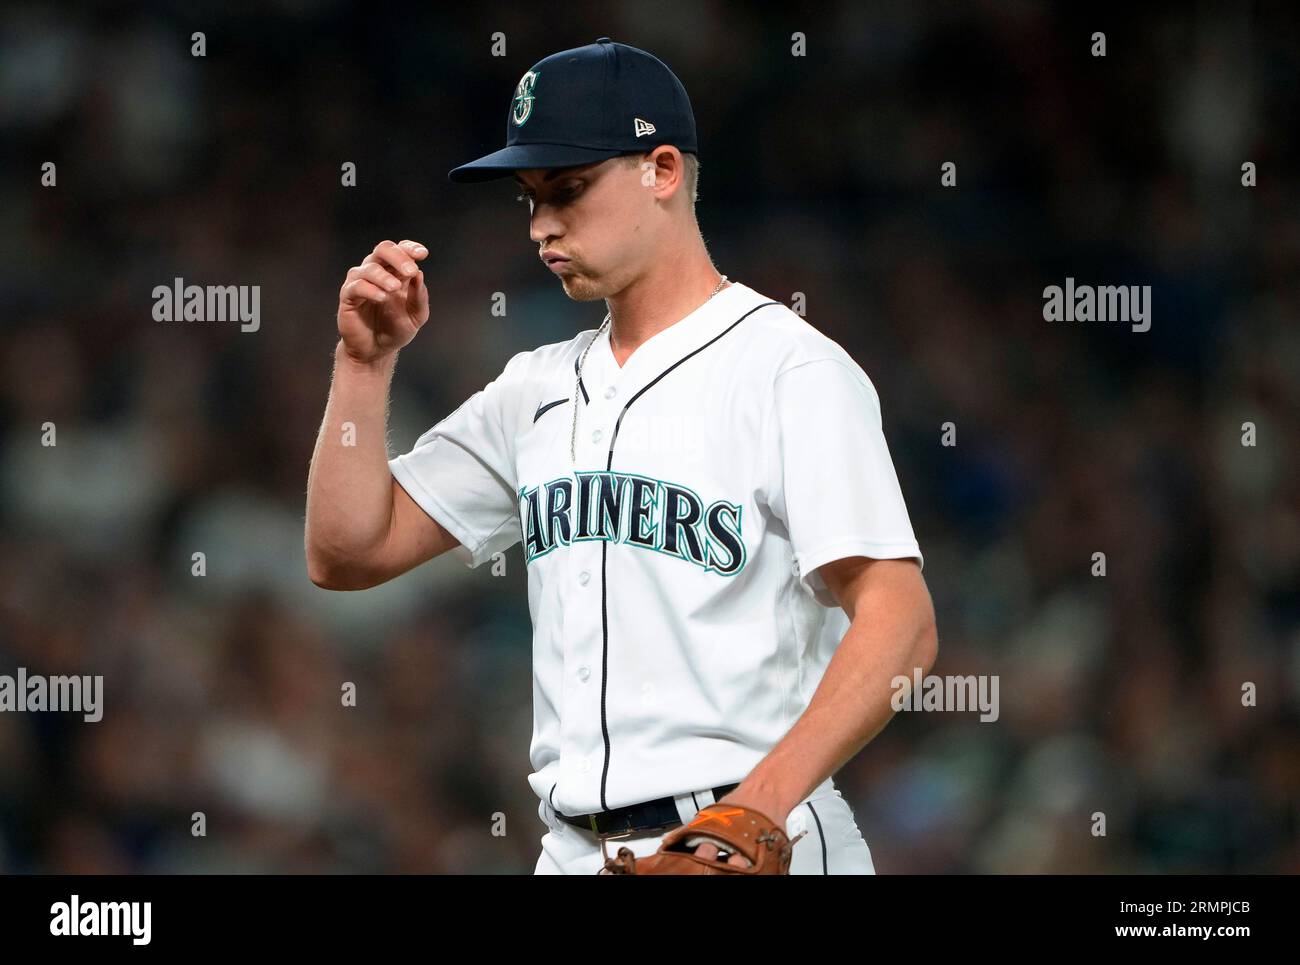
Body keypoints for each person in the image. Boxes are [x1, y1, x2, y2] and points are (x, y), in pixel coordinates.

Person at [305, 38, 938, 874]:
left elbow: (903, 624)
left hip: (749, 841)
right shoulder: (534, 389)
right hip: (573, 849)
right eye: (530, 198)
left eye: (567, 190)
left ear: (663, 170)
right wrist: (363, 367)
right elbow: (346, 551)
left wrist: (753, 811)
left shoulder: (789, 369)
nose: (541, 225)